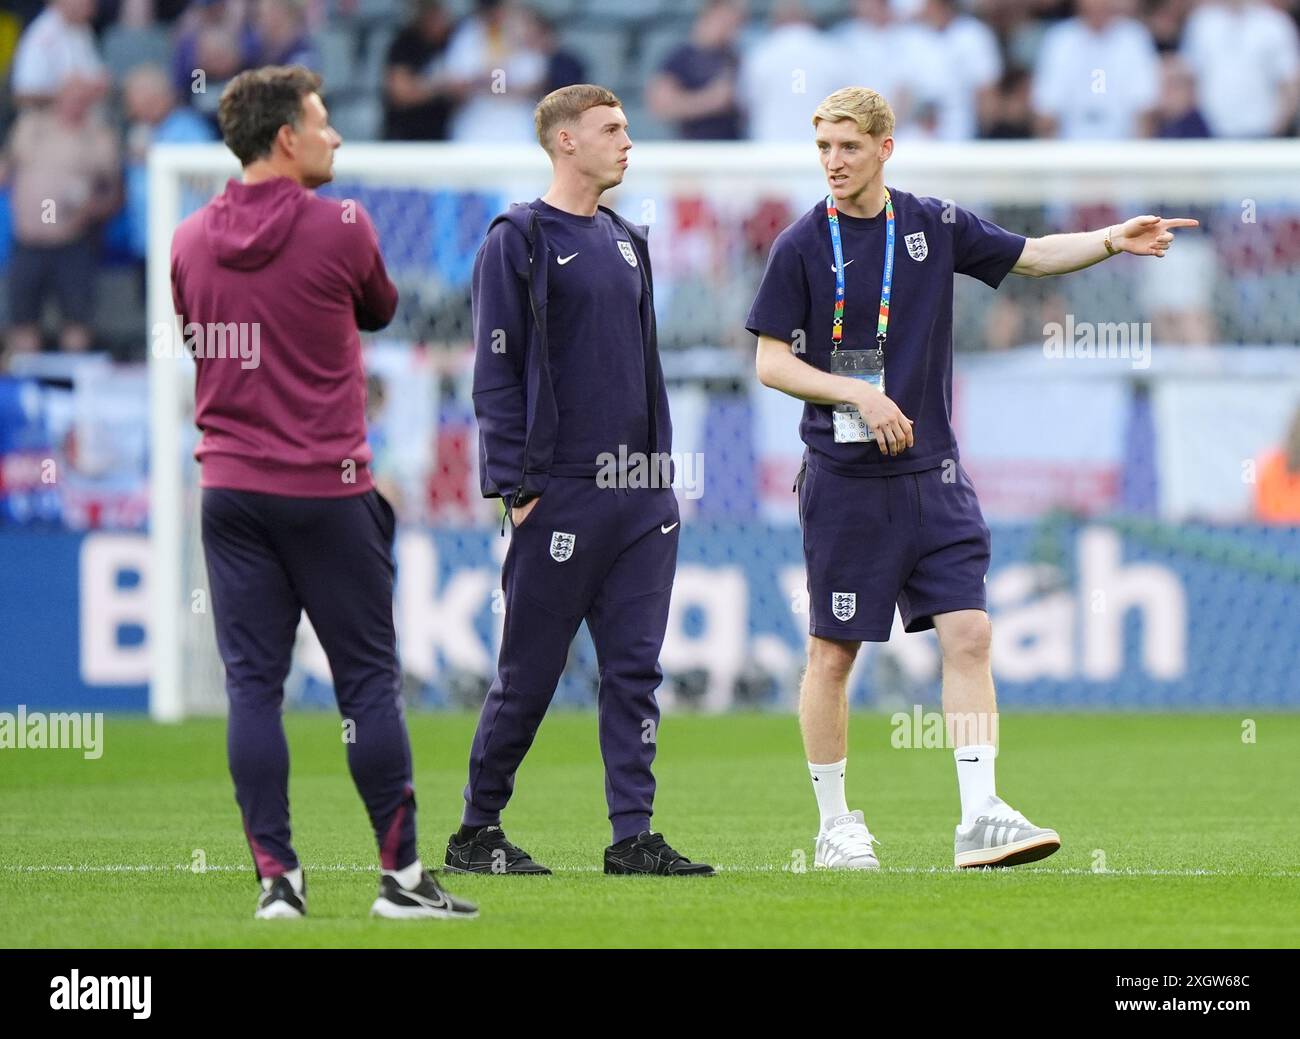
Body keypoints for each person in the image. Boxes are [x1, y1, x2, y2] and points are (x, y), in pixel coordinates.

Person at [746, 86, 1197, 870]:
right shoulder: (800, 245)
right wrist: (856, 389)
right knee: (834, 653)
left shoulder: (932, 223)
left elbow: (1029, 256)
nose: (833, 162)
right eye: (823, 147)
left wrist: (1113, 239)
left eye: (848, 146)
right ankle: (835, 825)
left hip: (935, 471)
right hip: (847, 478)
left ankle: (980, 813)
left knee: (972, 632)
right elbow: (769, 360)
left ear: (886, 147)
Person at [170, 65, 477, 920]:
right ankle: (402, 881)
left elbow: (200, 334)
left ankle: (278, 882)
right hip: (327, 487)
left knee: (251, 689)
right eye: (323, 120)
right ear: (285, 139)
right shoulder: (343, 225)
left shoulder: (189, 238)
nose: (336, 134)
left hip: (229, 489)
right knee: (368, 685)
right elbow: (379, 308)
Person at [453, 83, 713, 877]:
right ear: (566, 141)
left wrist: (659, 478)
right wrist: (515, 487)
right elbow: (495, 369)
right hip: (560, 489)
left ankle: (631, 836)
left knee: (635, 671)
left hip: (639, 494)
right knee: (528, 674)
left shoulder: (629, 239)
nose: (626, 141)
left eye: (627, 128)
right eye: (611, 129)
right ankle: (476, 830)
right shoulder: (518, 237)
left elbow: (644, 366)